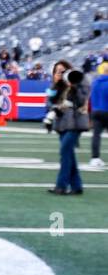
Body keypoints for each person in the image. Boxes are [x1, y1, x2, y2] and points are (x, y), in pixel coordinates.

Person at [46, 62, 88, 195]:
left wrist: (74, 87)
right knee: (69, 155)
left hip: (75, 124)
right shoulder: (56, 87)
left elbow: (82, 100)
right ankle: (77, 186)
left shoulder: (79, 81)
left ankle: (61, 186)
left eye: (63, 71)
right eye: (57, 71)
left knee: (65, 153)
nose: (60, 73)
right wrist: (54, 107)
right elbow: (48, 103)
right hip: (61, 125)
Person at [89, 67, 108, 170]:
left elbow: (91, 97)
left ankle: (95, 158)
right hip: (106, 110)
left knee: (96, 135)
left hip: (96, 111)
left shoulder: (95, 82)